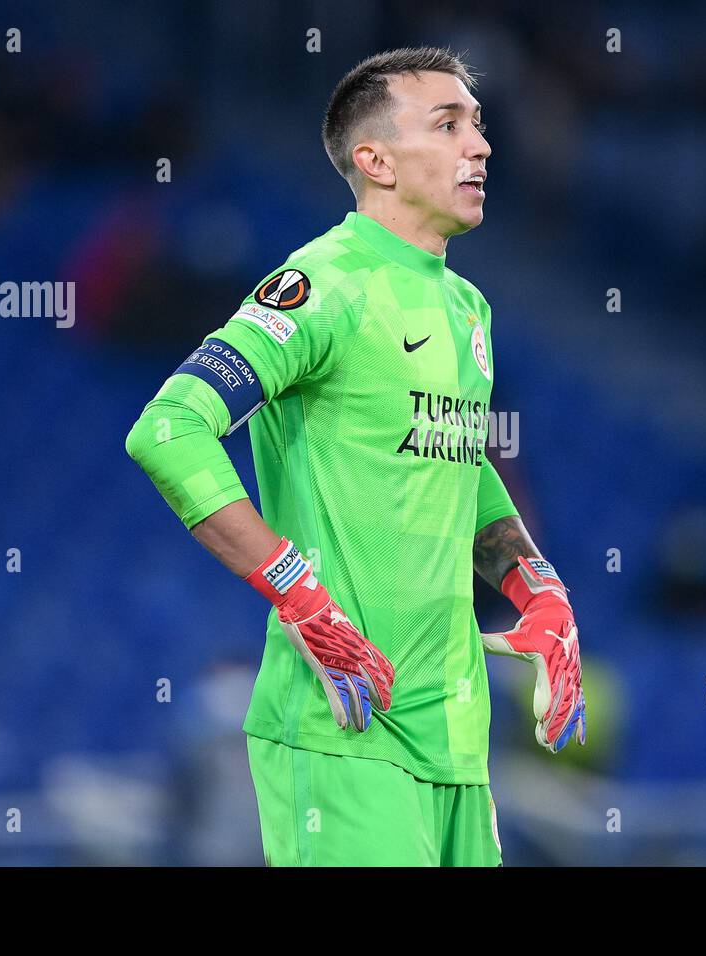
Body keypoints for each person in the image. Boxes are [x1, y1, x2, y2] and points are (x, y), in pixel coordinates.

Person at [126, 47, 586, 867]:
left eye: (477, 125)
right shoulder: (322, 284)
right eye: (448, 125)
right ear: (374, 160)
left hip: (454, 742)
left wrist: (535, 589)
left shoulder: (466, 307)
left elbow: (455, 458)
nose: (480, 146)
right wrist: (296, 592)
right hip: (346, 730)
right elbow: (169, 429)